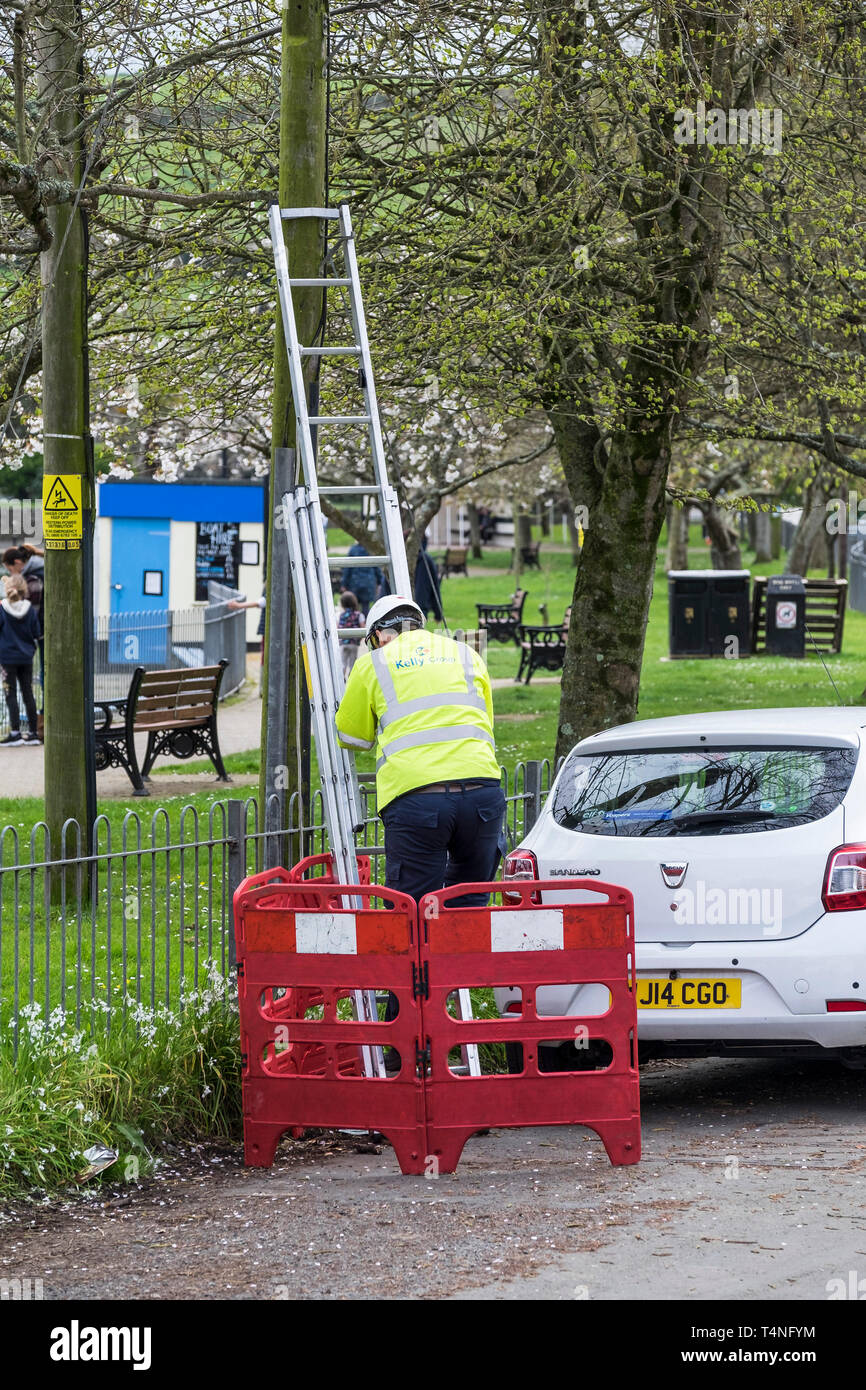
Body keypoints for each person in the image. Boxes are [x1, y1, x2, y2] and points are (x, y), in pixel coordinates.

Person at [335, 594, 506, 903]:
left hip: (417, 797)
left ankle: (420, 951)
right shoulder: (466, 653)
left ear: (377, 635)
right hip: (483, 791)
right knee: (469, 902)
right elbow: (485, 722)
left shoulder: (373, 663)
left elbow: (352, 736)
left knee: (411, 907)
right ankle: (458, 951)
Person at [0, 573, 41, 746]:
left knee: (10, 694)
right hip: (26, 657)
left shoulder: (2, 609)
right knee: (28, 693)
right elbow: (36, 633)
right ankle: (32, 733)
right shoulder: (30, 609)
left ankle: (15, 732)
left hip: (7, 658)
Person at [339, 541, 383, 616]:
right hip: (368, 583)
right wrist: (380, 581)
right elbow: (376, 567)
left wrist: (344, 584)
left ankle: (355, 624)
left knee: (353, 607)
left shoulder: (353, 550)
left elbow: (347, 568)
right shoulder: (370, 550)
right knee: (366, 606)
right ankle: (365, 624)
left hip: (355, 583)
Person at [413, 535, 443, 621]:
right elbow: (435, 589)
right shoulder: (427, 560)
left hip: (406, 608)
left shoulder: (400, 560)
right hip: (421, 607)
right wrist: (438, 613)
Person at [337, 590, 364, 676]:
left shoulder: (341, 615)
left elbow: (338, 627)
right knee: (352, 663)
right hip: (354, 644)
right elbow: (363, 627)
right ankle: (351, 680)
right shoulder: (359, 615)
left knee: (343, 663)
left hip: (343, 643)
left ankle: (341, 680)